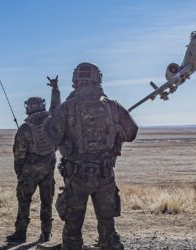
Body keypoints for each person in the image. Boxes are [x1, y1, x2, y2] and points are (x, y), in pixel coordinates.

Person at [44, 62, 138, 250]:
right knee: (106, 222)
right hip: (104, 175)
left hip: (76, 176)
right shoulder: (112, 106)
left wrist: (52, 117)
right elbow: (132, 132)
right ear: (98, 79)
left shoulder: (66, 108)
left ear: (76, 81)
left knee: (73, 225)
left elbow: (52, 136)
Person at [7, 76, 61, 243]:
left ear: (28, 109)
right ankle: (45, 234)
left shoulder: (25, 128)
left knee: (24, 202)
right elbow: (56, 106)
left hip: (29, 172)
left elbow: (18, 155)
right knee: (47, 202)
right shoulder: (51, 121)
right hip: (49, 170)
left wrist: (20, 174)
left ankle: (20, 234)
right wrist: (55, 88)